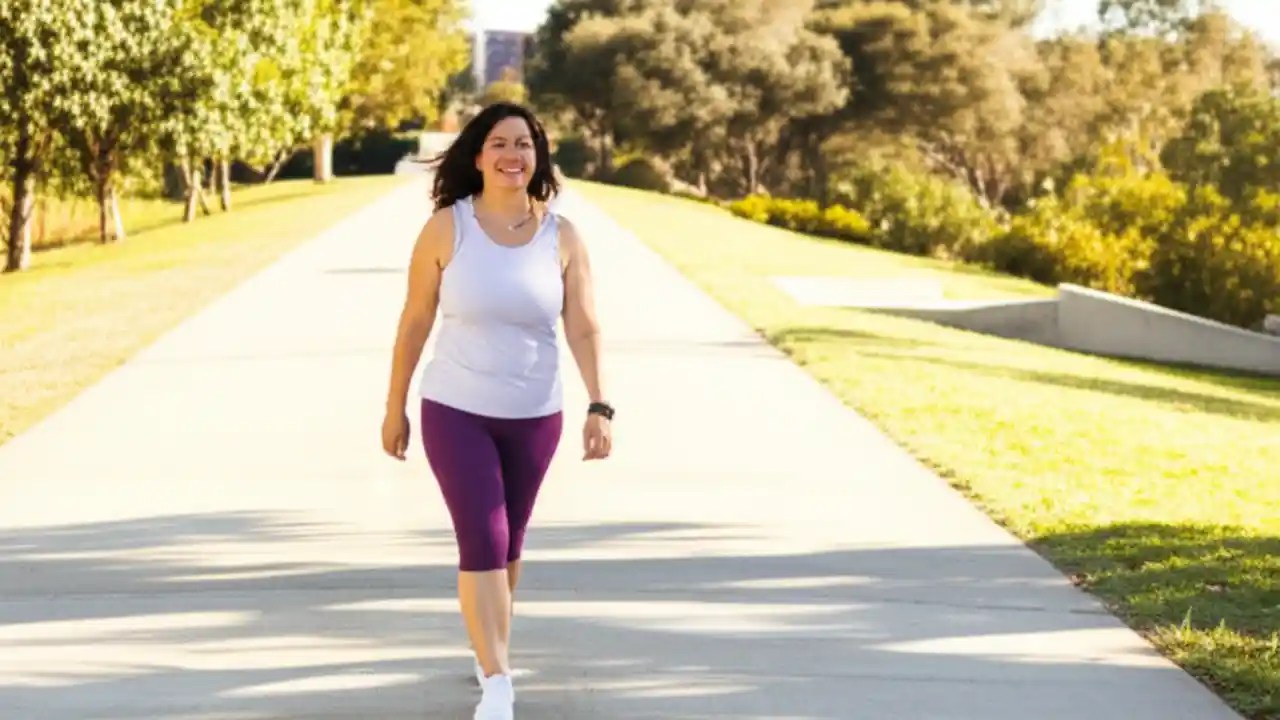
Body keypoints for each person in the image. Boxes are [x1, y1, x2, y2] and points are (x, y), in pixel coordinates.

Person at [380, 102, 613, 720]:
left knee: (509, 547)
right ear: (478, 155)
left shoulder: (561, 236)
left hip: (536, 414)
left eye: (526, 144)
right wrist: (394, 406)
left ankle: (489, 645)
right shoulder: (445, 228)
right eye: (501, 143)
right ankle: (498, 681)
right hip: (456, 407)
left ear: (539, 158)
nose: (514, 154)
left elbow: (584, 327)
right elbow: (414, 323)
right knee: (482, 537)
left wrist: (600, 404)